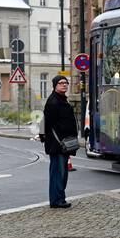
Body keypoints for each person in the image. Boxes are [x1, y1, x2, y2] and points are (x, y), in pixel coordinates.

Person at [40, 75, 78, 209]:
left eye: (66, 83)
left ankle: (59, 198)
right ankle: (57, 200)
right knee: (58, 172)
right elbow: (49, 124)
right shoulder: (53, 102)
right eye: (61, 83)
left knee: (61, 173)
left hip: (63, 143)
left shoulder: (62, 100)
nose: (64, 85)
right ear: (55, 85)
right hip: (57, 144)